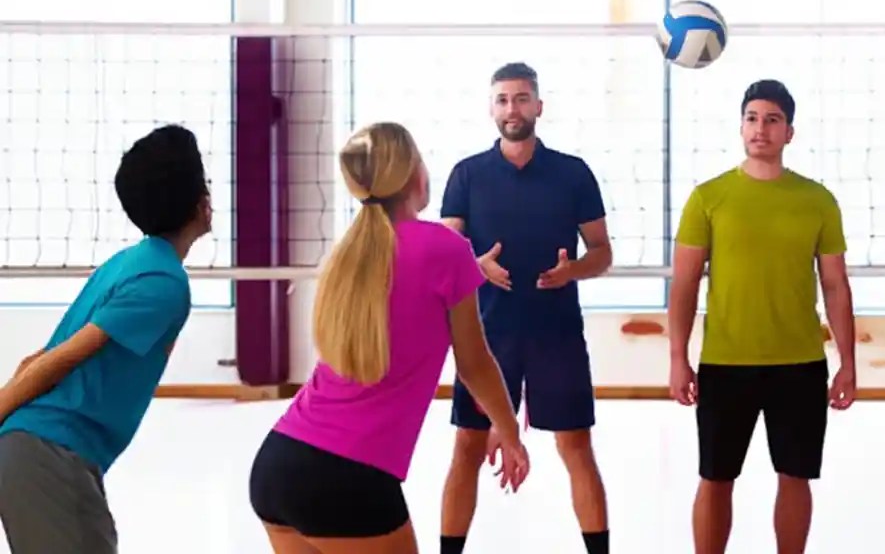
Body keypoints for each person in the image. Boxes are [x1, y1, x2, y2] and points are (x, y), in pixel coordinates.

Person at [247, 122, 529, 554]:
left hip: (279, 464)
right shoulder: (445, 248)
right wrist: (508, 430)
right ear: (415, 176)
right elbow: (474, 363)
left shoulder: (348, 252)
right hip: (348, 479)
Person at [0, 124, 213, 554]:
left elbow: (36, 358)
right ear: (199, 204)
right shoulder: (162, 281)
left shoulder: (131, 262)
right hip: (48, 455)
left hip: (39, 453)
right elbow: (55, 361)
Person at [667, 78, 857, 554]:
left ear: (789, 132)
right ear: (741, 126)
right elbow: (685, 283)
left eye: (772, 120)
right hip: (726, 362)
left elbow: (835, 285)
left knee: (795, 475)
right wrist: (677, 358)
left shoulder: (817, 200)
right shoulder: (708, 198)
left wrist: (848, 363)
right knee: (715, 476)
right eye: (752, 118)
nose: (761, 128)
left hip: (799, 364)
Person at [438, 62, 614, 554]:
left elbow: (602, 252)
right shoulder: (467, 175)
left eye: (520, 98)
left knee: (576, 447)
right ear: (491, 108)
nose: (511, 108)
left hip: (556, 333)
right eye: (502, 100)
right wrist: (477, 267)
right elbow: (447, 255)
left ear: (539, 106)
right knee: (467, 448)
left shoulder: (572, 173)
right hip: (487, 336)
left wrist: (572, 271)